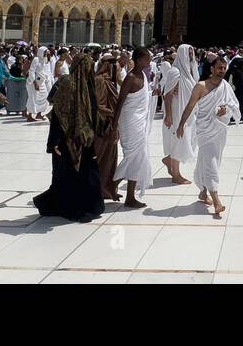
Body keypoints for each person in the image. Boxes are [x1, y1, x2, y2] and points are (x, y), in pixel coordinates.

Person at [33, 52, 106, 222]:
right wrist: (55, 141)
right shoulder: (67, 84)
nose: (89, 69)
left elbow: (93, 111)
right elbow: (58, 113)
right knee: (68, 175)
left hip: (84, 138)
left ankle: (90, 206)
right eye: (87, 66)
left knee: (88, 173)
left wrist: (104, 128)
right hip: (67, 140)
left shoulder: (88, 85)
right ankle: (71, 208)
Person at [176, 54, 239, 217]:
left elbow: (233, 105)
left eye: (224, 68)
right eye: (219, 68)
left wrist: (226, 110)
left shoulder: (225, 86)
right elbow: (189, 106)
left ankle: (203, 192)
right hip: (204, 130)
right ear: (212, 69)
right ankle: (217, 201)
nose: (222, 71)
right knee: (210, 162)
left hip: (219, 130)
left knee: (211, 160)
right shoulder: (201, 86)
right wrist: (181, 124)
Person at [113, 47, 154, 208]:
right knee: (133, 156)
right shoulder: (130, 78)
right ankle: (115, 186)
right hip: (129, 122)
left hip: (140, 121)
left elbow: (143, 97)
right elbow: (120, 102)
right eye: (146, 59)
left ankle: (120, 190)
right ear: (138, 60)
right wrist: (114, 126)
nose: (149, 61)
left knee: (138, 157)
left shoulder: (143, 75)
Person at [160, 44, 197, 184]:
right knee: (178, 141)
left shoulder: (189, 72)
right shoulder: (175, 71)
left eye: (192, 54)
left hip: (187, 113)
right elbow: (167, 95)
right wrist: (168, 115)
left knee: (185, 140)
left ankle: (169, 160)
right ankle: (176, 175)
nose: (191, 57)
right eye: (189, 54)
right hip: (176, 113)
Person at [94, 54, 122, 200]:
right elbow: (98, 105)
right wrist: (113, 113)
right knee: (100, 157)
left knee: (110, 159)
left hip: (111, 125)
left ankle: (107, 188)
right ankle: (96, 189)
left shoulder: (110, 82)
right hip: (102, 126)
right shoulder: (99, 81)